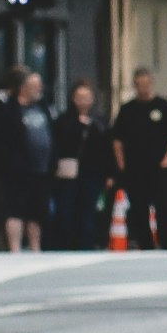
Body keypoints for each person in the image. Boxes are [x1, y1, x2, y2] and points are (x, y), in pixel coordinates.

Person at [110, 67, 167, 252]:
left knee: (164, 209)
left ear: (151, 84)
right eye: (139, 85)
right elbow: (117, 140)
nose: (143, 89)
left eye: (146, 85)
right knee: (139, 210)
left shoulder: (163, 107)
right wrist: (122, 165)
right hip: (136, 170)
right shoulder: (127, 110)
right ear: (135, 86)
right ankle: (146, 246)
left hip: (160, 170)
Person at [0, 69, 52, 252]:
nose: (38, 90)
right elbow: (1, 141)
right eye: (34, 86)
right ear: (23, 88)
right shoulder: (9, 110)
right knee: (15, 210)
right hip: (17, 170)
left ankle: (35, 247)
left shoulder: (42, 108)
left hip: (41, 170)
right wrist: (10, 163)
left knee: (36, 213)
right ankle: (15, 249)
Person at [47, 77, 106, 251]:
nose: (83, 101)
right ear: (73, 98)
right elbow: (58, 144)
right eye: (80, 97)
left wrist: (109, 174)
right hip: (68, 172)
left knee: (88, 211)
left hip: (92, 172)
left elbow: (105, 145)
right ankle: (64, 244)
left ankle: (86, 244)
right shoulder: (64, 120)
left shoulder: (98, 120)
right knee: (65, 211)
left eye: (87, 97)